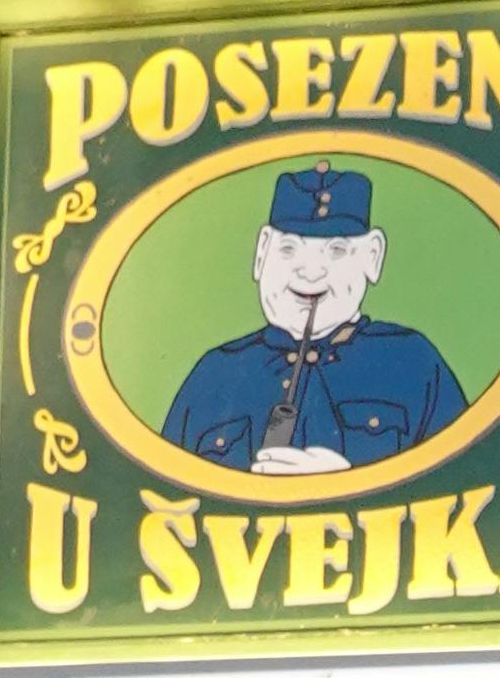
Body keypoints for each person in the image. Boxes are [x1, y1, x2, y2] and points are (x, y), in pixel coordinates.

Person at [173, 160, 467, 471]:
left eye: (336, 250)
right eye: (288, 249)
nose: (311, 272)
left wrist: (346, 485)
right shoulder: (213, 376)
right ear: (262, 253)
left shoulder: (414, 363)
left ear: (372, 256)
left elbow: (465, 475)